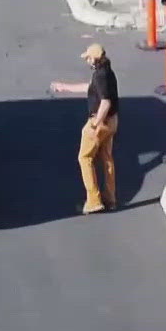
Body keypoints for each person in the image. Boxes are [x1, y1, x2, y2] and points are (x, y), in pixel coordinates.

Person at [50, 43, 120, 213]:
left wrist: (96, 124)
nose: (87, 60)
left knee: (85, 158)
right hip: (112, 122)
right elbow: (89, 88)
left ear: (95, 59)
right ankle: (111, 199)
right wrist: (64, 86)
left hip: (100, 122)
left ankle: (94, 200)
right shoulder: (107, 73)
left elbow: (105, 102)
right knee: (107, 158)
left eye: (88, 58)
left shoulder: (100, 76)